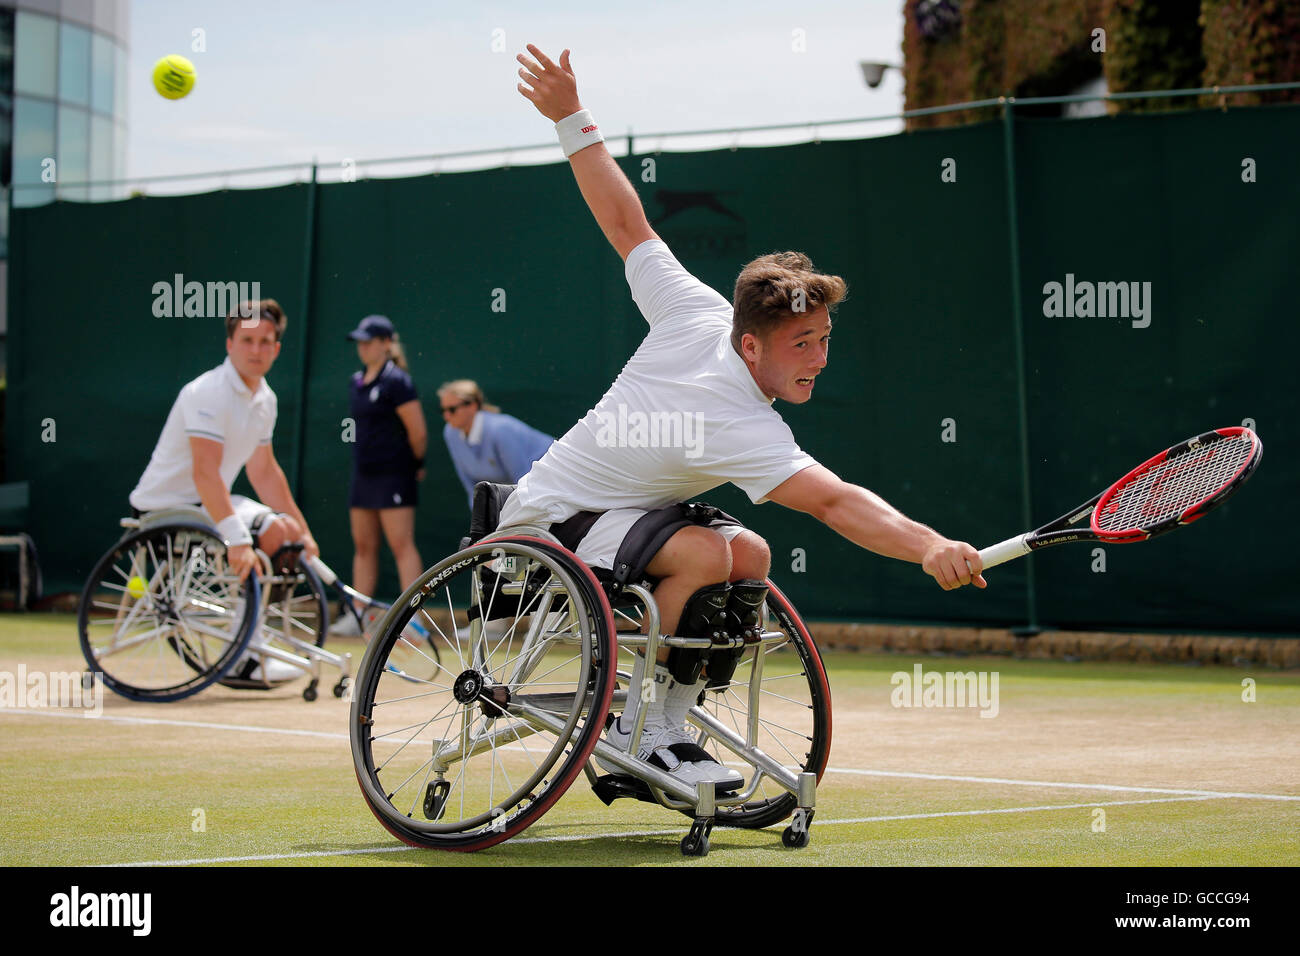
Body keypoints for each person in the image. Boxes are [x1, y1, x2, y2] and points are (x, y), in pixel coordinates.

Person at [509, 44, 987, 790]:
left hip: (629, 518)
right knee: (704, 555)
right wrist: (928, 547)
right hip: (549, 521)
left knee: (752, 554)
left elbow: (629, 224)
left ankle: (663, 716)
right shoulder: (734, 413)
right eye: (803, 343)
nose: (819, 359)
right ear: (751, 342)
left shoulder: (697, 308)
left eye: (825, 340)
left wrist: (572, 114)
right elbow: (834, 501)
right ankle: (637, 724)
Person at [128, 299, 319, 687]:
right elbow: (204, 471)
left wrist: (304, 530)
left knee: (283, 532)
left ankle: (244, 642)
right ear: (229, 344)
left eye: (266, 342)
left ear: (276, 349)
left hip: (209, 501)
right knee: (262, 535)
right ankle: (243, 652)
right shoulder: (206, 392)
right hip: (165, 507)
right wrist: (235, 537)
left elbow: (264, 471)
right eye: (247, 340)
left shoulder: (266, 398)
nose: (256, 350)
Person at [330, 315, 428, 635]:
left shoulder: (398, 381)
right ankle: (359, 614)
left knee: (401, 544)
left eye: (369, 341)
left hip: (394, 475)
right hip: (364, 475)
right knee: (363, 545)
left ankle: (414, 618)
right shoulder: (355, 381)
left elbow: (418, 432)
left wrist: (413, 464)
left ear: (387, 343)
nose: (363, 348)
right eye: (359, 342)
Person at [439, 379, 554, 509]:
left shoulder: (500, 430)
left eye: (452, 409)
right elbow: (472, 488)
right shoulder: (450, 433)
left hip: (553, 480)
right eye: (443, 410)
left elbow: (522, 482)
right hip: (527, 492)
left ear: (472, 406)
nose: (446, 416)